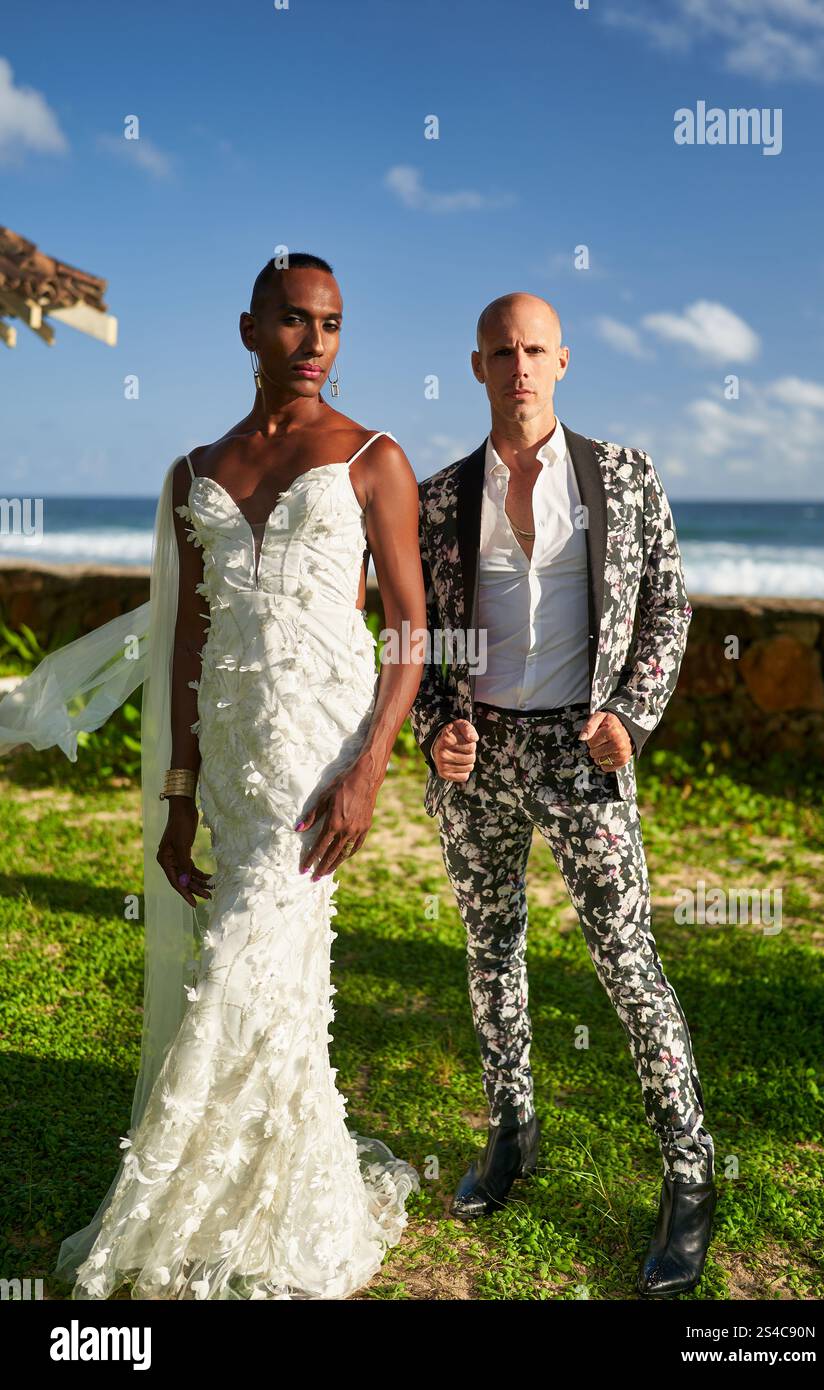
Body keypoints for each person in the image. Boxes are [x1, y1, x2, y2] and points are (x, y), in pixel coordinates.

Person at [0, 252, 427, 1300]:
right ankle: (284, 1187)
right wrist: (179, 792)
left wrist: (369, 766)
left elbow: (413, 629)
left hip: (319, 752)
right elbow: (186, 639)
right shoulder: (195, 469)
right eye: (292, 321)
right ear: (248, 331)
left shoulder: (375, 457)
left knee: (247, 952)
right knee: (274, 979)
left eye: (330, 323)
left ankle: (190, 1210)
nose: (314, 342)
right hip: (231, 755)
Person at [409, 292, 717, 1298]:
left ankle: (688, 1173)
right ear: (475, 367)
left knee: (624, 958)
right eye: (500, 352)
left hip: (586, 756)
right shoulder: (439, 496)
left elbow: (667, 606)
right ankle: (511, 1129)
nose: (519, 367)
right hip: (481, 754)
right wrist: (434, 726)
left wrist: (631, 713)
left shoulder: (623, 478)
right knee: (489, 948)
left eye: (534, 349)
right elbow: (421, 637)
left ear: (562, 359)